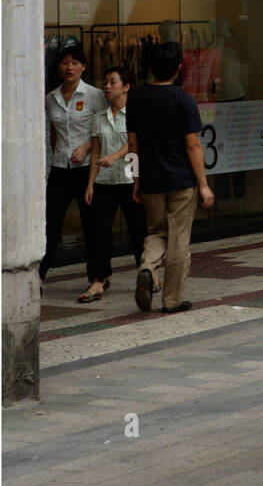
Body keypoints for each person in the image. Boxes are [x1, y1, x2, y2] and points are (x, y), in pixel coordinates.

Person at [127, 41, 214, 315]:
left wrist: (137, 180)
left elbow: (133, 144)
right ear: (179, 68)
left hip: (151, 180)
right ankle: (171, 300)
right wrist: (203, 184)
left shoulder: (136, 99)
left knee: (155, 232)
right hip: (181, 181)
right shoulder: (184, 100)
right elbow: (193, 145)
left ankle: (147, 267)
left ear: (151, 67)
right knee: (178, 239)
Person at [41, 43, 107, 295]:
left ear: (84, 66)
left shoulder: (94, 95)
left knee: (92, 224)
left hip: (87, 169)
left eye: (75, 63)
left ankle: (98, 278)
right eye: (64, 63)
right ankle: (38, 277)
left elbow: (103, 130)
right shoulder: (52, 97)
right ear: (58, 66)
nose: (69, 68)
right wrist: (54, 159)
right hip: (60, 167)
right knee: (51, 224)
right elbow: (54, 132)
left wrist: (87, 146)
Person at [81, 67, 148, 303]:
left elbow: (134, 144)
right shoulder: (99, 117)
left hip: (131, 179)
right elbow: (96, 150)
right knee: (99, 233)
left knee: (138, 230)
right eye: (105, 82)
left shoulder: (137, 113)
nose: (107, 87)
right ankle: (98, 280)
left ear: (126, 86)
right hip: (105, 182)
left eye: (113, 82)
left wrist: (115, 157)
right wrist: (90, 183)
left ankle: (148, 274)